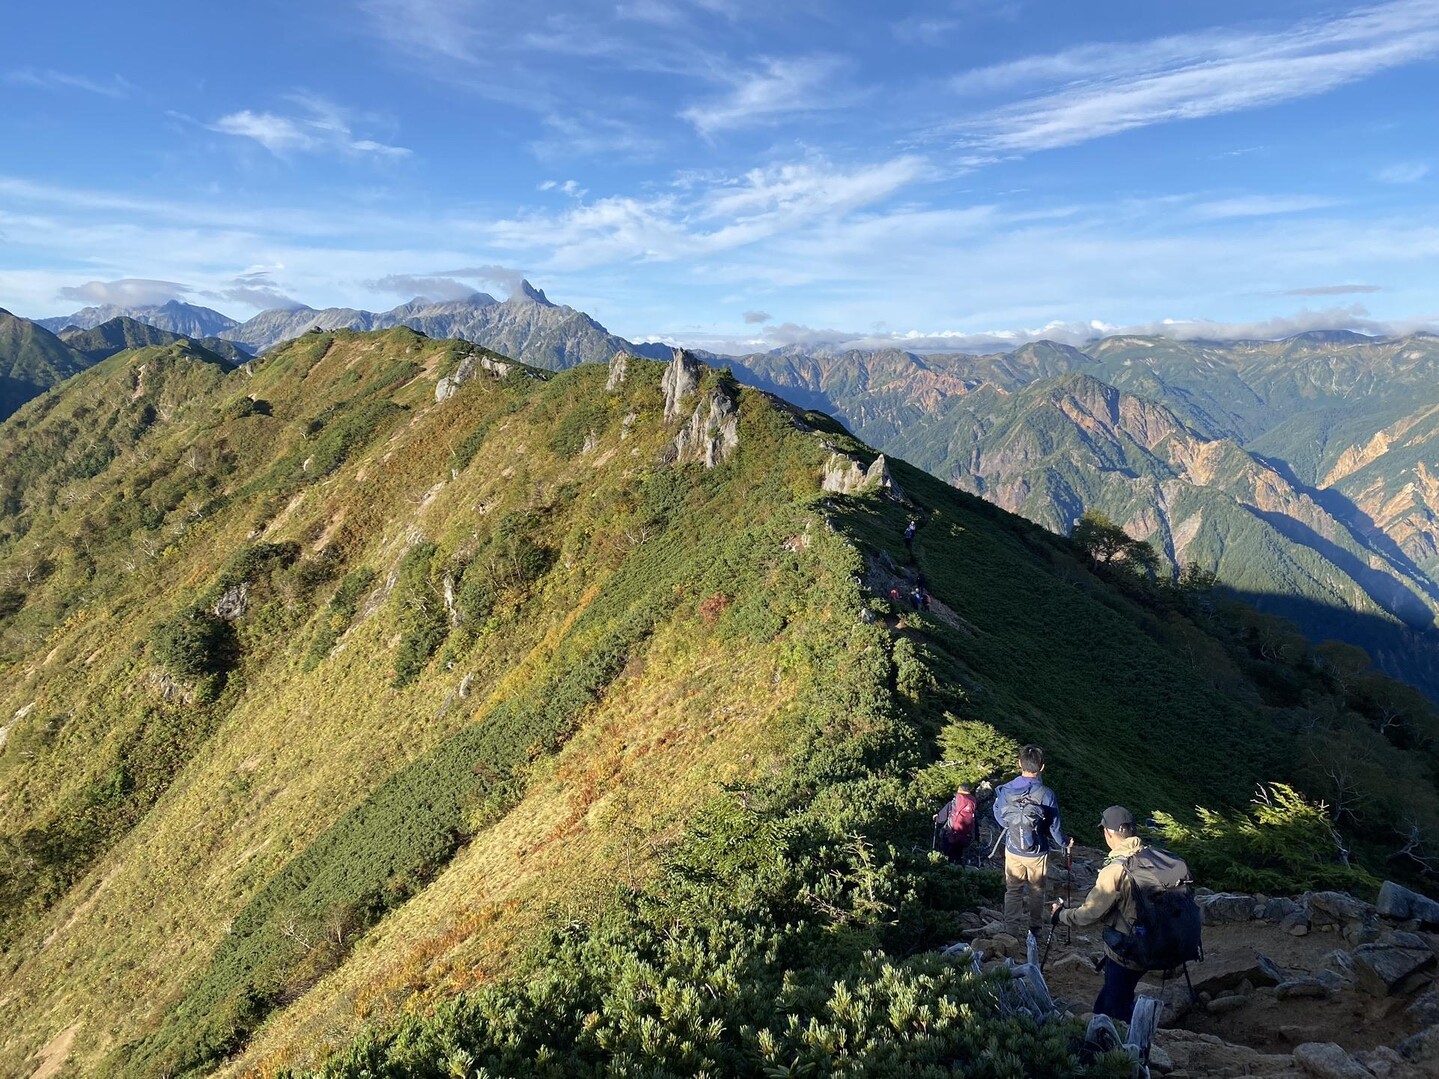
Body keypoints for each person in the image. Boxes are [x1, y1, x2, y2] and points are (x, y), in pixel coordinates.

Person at [1051, 805, 1147, 1023]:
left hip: (1128, 948)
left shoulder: (1115, 869)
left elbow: (1091, 912)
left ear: (1109, 833)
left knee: (1112, 1009)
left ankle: (1122, 1049)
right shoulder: (1148, 855)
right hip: (1155, 939)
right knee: (1116, 997)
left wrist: (1062, 915)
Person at [993, 744, 1070, 939]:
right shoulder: (1046, 793)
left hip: (1013, 847)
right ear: (1042, 767)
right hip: (1038, 851)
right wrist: (1064, 843)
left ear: (1019, 764)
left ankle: (1010, 929)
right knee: (1037, 890)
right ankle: (1035, 929)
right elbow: (1054, 826)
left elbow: (1001, 818)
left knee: (1013, 889)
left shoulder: (1006, 789)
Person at [933, 783, 978, 864]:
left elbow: (941, 819)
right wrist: (977, 838)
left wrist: (936, 818)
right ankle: (957, 867)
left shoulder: (953, 803)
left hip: (950, 834)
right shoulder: (972, 804)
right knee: (957, 855)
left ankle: (945, 867)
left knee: (946, 854)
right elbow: (974, 821)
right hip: (964, 837)